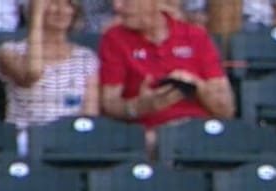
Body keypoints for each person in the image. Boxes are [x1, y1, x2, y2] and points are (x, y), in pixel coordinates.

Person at [98, 0, 235, 130]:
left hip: (198, 130)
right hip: (149, 133)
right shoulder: (114, 38)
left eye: (127, 1)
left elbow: (226, 109)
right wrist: (139, 106)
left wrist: (195, 85)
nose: (117, 7)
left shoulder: (195, 35)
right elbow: (110, 104)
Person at [0, 0, 100, 129]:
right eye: (53, 3)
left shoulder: (86, 58)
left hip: (71, 140)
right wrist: (36, 20)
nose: (61, 10)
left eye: (68, 4)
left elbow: (89, 114)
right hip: (26, 140)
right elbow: (32, 73)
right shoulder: (8, 52)